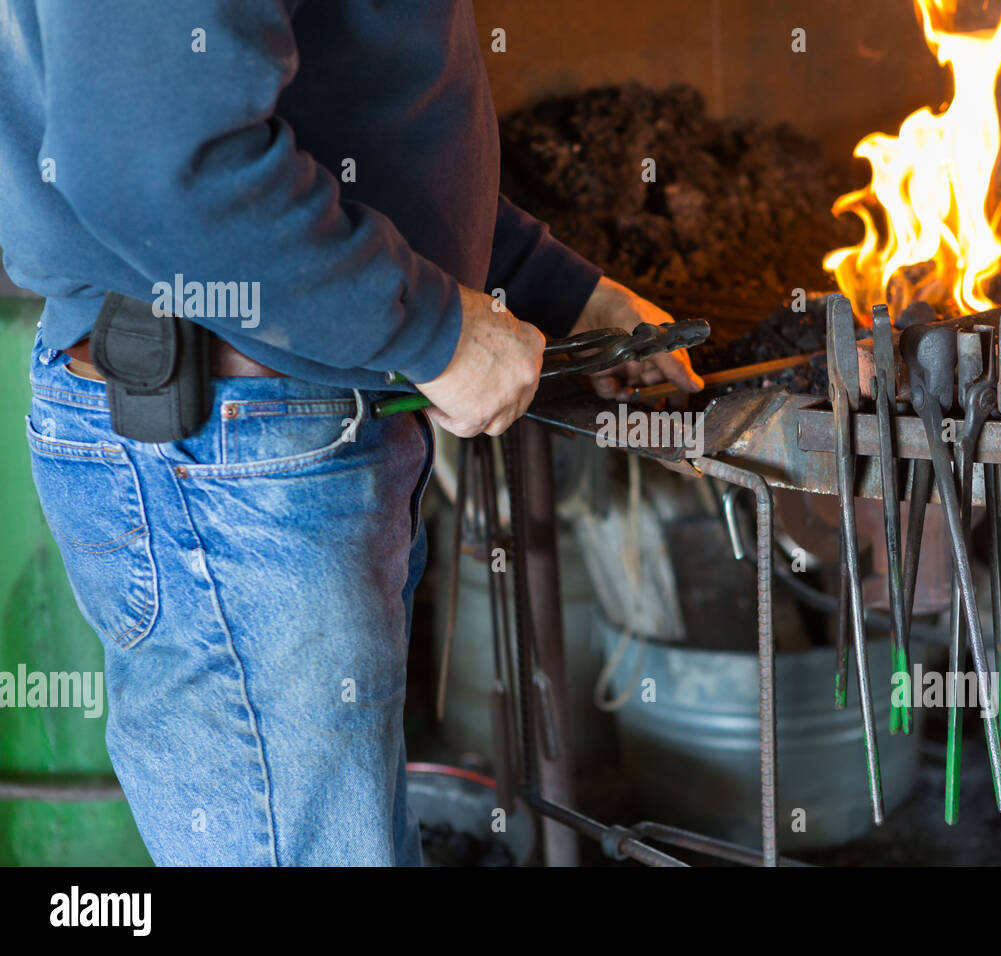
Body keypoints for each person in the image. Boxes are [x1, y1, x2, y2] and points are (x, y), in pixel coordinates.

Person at [0, 0, 701, 865]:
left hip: (282, 433)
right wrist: (428, 329)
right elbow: (154, 156)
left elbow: (340, 99)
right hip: (230, 448)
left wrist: (541, 284)